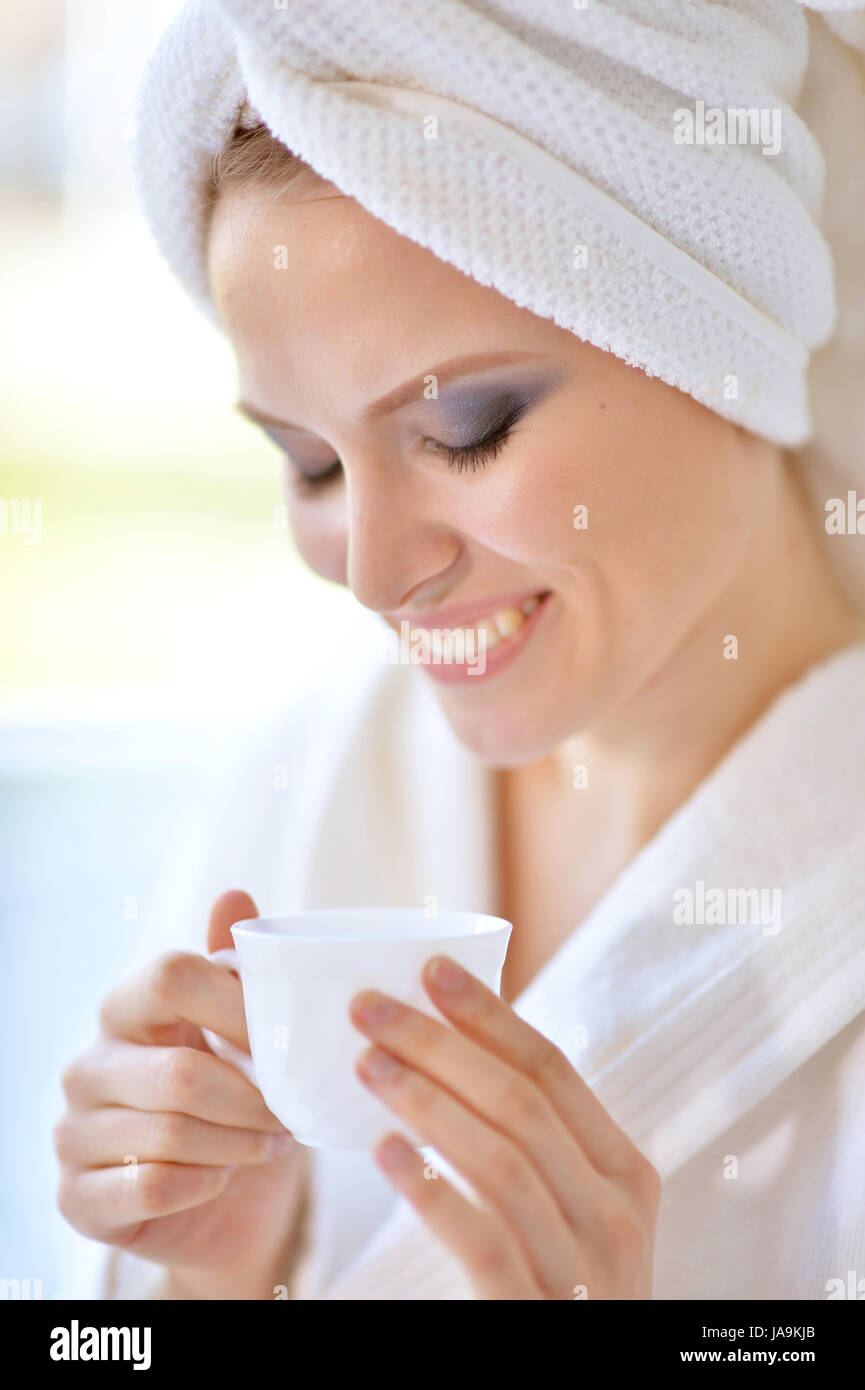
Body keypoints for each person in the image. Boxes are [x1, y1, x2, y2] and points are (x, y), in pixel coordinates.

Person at [55, 0, 865, 1299]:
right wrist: (219, 1277)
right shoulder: (318, 774)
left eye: (467, 427)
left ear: (724, 325)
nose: (374, 572)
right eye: (309, 460)